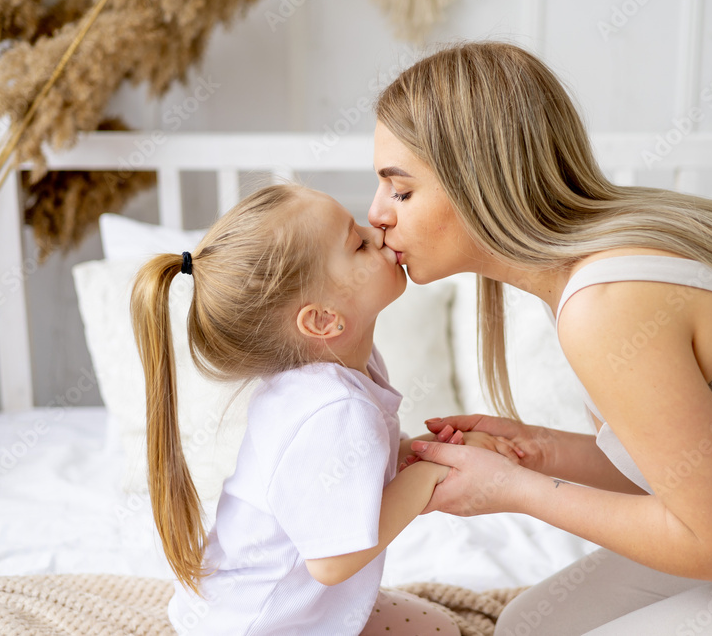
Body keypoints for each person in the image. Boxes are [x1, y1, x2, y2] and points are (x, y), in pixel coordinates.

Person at [370, 41, 712, 634]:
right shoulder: (610, 254)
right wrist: (537, 449)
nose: (377, 214)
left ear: (481, 182)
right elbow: (691, 473)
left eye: (401, 190)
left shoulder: (610, 303)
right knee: (527, 625)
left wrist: (519, 490)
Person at [129, 183, 520, 635]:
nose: (376, 230)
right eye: (357, 243)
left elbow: (354, 468)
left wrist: (429, 451)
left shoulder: (341, 377)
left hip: (255, 610)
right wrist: (428, 475)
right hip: (260, 626)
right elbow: (332, 562)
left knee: (439, 626)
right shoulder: (335, 409)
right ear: (322, 319)